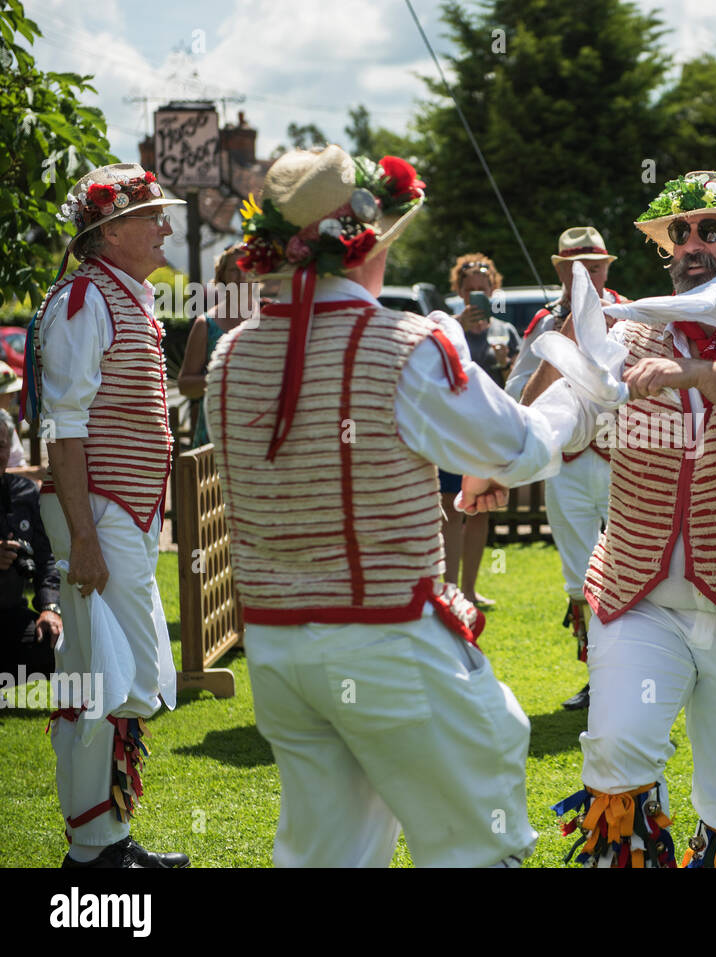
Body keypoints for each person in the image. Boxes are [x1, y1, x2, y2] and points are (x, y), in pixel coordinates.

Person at [207, 145, 561, 867]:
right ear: (371, 247)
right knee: (479, 840)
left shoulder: (229, 355)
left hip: (276, 650)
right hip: (385, 636)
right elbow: (518, 448)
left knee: (327, 854)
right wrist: (583, 397)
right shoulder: (406, 342)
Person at [507, 169, 716, 867]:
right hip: (639, 598)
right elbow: (567, 415)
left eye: (710, 229)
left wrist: (703, 377)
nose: (690, 244)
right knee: (617, 753)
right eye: (679, 233)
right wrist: (516, 440)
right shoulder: (628, 334)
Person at [29, 162, 187, 868]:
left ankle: (105, 839)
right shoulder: (84, 298)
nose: (166, 228)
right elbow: (64, 427)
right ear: (112, 230)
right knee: (104, 676)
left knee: (114, 677)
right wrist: (84, 538)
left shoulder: (121, 296)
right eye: (153, 216)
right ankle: (93, 849)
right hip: (99, 510)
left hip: (123, 510)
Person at [512, 226, 625, 712]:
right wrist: (559, 342)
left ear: (608, 267)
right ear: (560, 269)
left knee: (635, 566)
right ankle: (599, 677)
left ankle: (638, 675)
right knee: (580, 577)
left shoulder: (631, 313)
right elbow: (524, 399)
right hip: (568, 468)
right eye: (578, 266)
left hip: (627, 460)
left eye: (597, 266)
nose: (589, 275)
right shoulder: (543, 322)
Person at [440, 253, 520, 609]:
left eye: (482, 290)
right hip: (453, 430)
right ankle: (449, 589)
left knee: (480, 509)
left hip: (488, 433)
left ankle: (469, 591)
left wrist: (505, 363)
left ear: (493, 289)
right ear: (459, 290)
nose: (476, 295)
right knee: (451, 510)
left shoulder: (505, 331)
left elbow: (518, 385)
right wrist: (457, 323)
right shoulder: (446, 330)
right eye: (469, 290)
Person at [176, 244, 258, 448]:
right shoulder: (206, 324)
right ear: (222, 277)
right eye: (234, 270)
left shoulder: (270, 319)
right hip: (215, 438)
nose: (241, 277)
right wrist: (222, 379)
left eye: (246, 269)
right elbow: (185, 385)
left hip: (259, 435)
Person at [0, 409, 61, 681]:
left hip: (12, 614)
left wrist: (49, 608)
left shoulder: (25, 493)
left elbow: (48, 559)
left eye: (0, 446)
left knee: (60, 646)